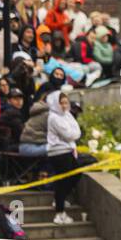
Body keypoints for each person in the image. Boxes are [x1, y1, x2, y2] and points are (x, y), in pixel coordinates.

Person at [46, 89, 83, 225]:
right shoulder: (54, 117)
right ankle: (59, 212)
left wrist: (73, 133)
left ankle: (60, 200)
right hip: (59, 153)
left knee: (76, 175)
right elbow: (70, 134)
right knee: (62, 181)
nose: (64, 105)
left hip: (68, 151)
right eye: (61, 103)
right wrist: (73, 133)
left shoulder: (67, 115)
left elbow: (76, 130)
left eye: (66, 102)